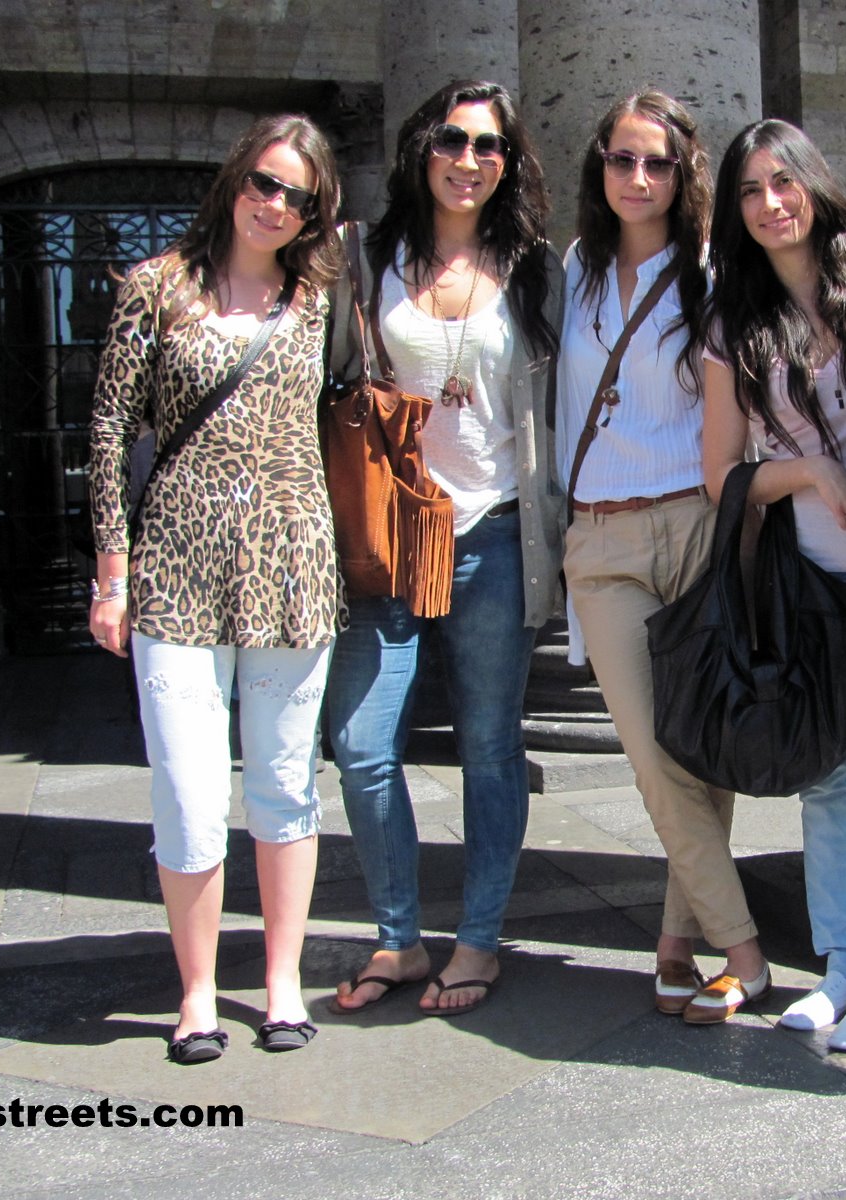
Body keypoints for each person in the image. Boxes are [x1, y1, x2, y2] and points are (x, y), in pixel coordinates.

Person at [88, 114, 343, 1063]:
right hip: (177, 570)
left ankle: (281, 982)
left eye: (299, 196)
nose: (276, 205)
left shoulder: (319, 297)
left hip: (291, 565)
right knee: (190, 793)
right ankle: (196, 994)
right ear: (237, 177)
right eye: (265, 182)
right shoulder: (156, 287)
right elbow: (109, 431)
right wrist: (110, 570)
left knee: (284, 785)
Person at [700, 119, 846, 1051]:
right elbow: (724, 474)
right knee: (829, 779)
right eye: (751, 191)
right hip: (812, 583)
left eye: (782, 182)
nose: (770, 204)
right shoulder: (734, 322)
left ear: (813, 184)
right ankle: (840, 965)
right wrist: (806, 471)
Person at [326, 80, 563, 1020]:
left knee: (490, 746)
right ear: (421, 146)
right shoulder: (364, 259)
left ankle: (476, 938)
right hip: (391, 536)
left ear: (509, 163)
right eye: (452, 140)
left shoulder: (537, 268)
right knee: (361, 744)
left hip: (495, 533)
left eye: (490, 147)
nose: (469, 160)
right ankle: (398, 937)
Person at [556, 92, 770, 1025]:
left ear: (685, 176)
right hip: (601, 539)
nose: (637, 179)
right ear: (597, 166)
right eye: (621, 160)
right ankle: (748, 951)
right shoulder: (571, 271)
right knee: (653, 756)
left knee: (702, 748)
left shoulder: (715, 274)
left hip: (695, 523)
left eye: (658, 164)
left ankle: (678, 942)